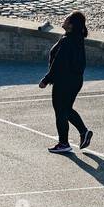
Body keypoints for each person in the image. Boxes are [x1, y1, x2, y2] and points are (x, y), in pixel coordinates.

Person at [39, 10, 92, 154]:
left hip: (64, 81)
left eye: (67, 19)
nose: (64, 20)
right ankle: (83, 132)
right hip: (74, 81)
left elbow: (58, 63)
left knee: (61, 111)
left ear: (71, 25)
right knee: (66, 109)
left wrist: (46, 79)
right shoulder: (77, 38)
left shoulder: (68, 40)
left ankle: (64, 143)